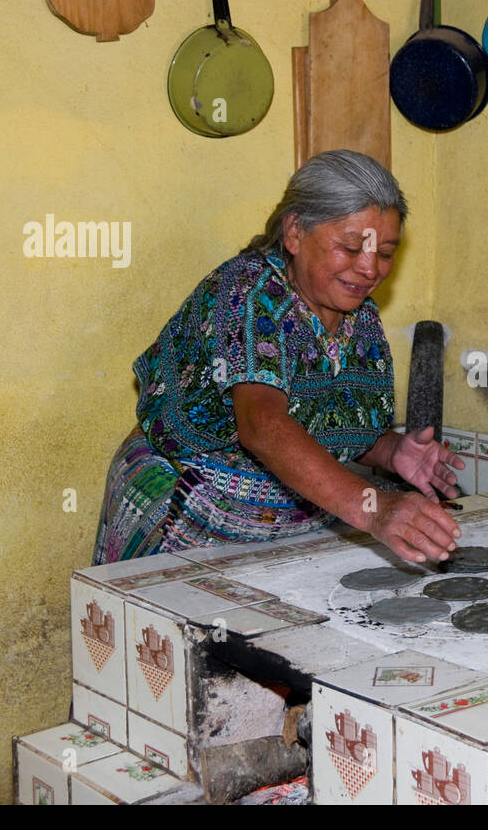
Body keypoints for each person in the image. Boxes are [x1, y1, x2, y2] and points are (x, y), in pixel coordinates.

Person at [93, 150, 464, 566]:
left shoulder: (360, 317)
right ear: (294, 232)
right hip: (183, 514)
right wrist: (374, 508)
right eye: (350, 247)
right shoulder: (247, 294)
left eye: (385, 253)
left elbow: (332, 426)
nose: (369, 269)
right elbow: (262, 424)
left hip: (276, 523)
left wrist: (394, 452)